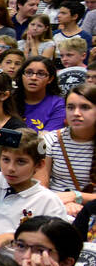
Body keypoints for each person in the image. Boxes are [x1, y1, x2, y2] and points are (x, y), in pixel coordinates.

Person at [39, 83, 96, 215]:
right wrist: (63, 202)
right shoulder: (47, 140)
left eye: (85, 107)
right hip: (55, 207)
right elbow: (39, 187)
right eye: (70, 107)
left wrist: (75, 196)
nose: (76, 113)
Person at [16, 56, 65, 133]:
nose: (33, 78)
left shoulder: (58, 104)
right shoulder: (9, 99)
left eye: (41, 74)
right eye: (29, 72)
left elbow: (48, 139)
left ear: (50, 79)